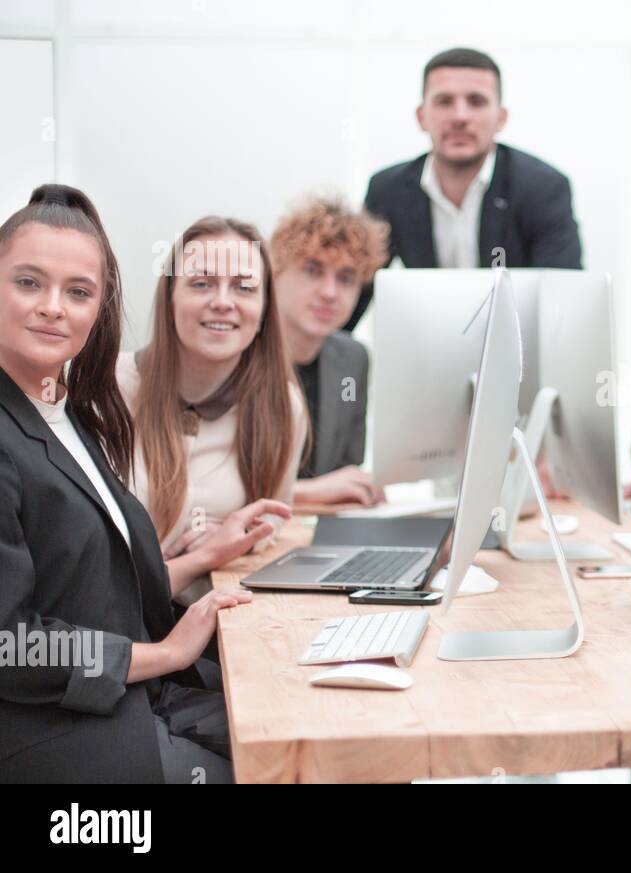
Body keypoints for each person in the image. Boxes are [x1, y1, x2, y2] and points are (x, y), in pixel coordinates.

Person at [0, 185, 275, 783]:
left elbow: (92, 588)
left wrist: (205, 557)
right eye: (28, 283)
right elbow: (11, 647)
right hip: (48, 727)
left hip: (131, 697)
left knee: (308, 735)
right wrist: (170, 652)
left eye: (78, 292)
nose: (53, 306)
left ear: (98, 309)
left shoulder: (66, 410)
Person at [119, 215, 307, 598]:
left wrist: (241, 535)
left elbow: (273, 513)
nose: (222, 303)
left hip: (215, 619)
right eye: (201, 283)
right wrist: (202, 557)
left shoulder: (283, 405)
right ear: (170, 296)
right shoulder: (107, 385)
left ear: (264, 309)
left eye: (244, 288)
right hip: (117, 624)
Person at [351, 46, 582, 330]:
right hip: (429, 347)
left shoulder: (543, 188)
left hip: (518, 352)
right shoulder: (387, 190)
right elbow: (354, 293)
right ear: (422, 116)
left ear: (501, 118)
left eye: (476, 101)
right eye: (444, 101)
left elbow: (563, 302)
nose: (460, 116)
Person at [272, 195, 389, 507]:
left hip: (316, 534)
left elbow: (345, 474)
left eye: (346, 278)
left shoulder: (353, 359)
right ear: (276, 273)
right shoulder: (237, 354)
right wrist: (305, 492)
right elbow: (210, 489)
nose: (329, 293)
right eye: (312, 270)